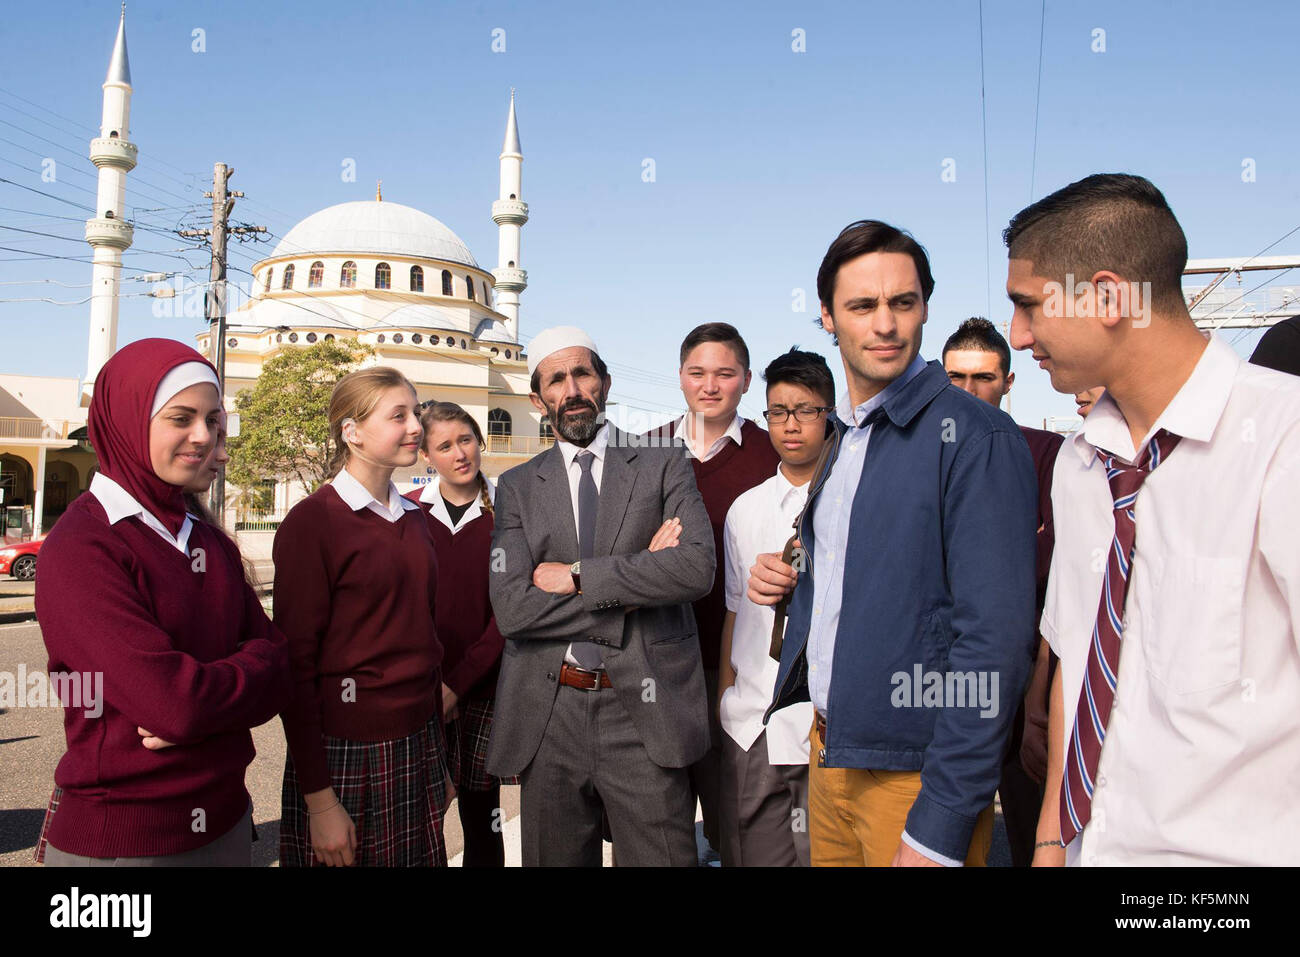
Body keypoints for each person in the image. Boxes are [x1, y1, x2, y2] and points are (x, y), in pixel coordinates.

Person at [1003, 173, 1300, 866]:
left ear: (1107, 297)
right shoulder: (1080, 469)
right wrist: (1052, 841)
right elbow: (1082, 660)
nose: (1018, 335)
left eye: (1028, 305)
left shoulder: (1284, 437)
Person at [749, 220, 1038, 867]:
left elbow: (993, 643)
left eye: (902, 303)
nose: (885, 323)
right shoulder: (843, 440)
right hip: (828, 756)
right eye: (862, 305)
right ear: (827, 315)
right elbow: (856, 564)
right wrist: (789, 571)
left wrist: (942, 819)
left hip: (913, 778)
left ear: (924, 308)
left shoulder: (977, 437)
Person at [34, 338, 290, 866]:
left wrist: (217, 691)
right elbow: (173, 707)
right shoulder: (85, 544)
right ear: (130, 420)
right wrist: (243, 676)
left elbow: (279, 664)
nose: (205, 438)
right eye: (181, 418)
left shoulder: (208, 540)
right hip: (127, 843)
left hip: (226, 823)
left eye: (214, 421)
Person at [486, 325, 715, 866]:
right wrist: (635, 589)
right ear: (538, 399)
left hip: (644, 708)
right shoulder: (517, 486)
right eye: (556, 380)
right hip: (550, 709)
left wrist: (579, 576)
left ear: (605, 382)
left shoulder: (663, 462)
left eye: (582, 373)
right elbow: (513, 609)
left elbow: (694, 569)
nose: (572, 390)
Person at [274, 366, 448, 867]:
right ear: (352, 432)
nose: (416, 426)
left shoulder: (416, 520)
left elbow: (426, 640)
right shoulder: (313, 523)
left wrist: (437, 758)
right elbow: (296, 668)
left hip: (419, 744)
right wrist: (320, 799)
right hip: (346, 753)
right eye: (399, 415)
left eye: (416, 413)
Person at [645, 321, 780, 859]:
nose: (710, 385)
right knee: (659, 816)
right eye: (697, 373)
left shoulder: (776, 452)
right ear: (679, 377)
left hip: (742, 664)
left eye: (725, 373)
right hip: (658, 662)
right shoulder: (640, 453)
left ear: (747, 380)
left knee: (738, 813)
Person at [941, 317, 1063, 866]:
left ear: (1009, 382)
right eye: (954, 378)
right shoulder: (920, 457)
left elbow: (1050, 569)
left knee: (1030, 822)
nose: (968, 392)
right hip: (933, 677)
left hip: (1025, 680)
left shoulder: (1048, 455)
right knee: (939, 829)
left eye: (983, 377)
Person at [717, 348, 832, 867]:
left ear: (829, 413)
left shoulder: (854, 496)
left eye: (805, 410)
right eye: (778, 412)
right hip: (754, 721)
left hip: (825, 724)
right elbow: (735, 613)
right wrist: (726, 699)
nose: (791, 424)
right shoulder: (746, 508)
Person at [404, 401, 511, 867]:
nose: (459, 454)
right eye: (444, 446)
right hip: (420, 688)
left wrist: (458, 685)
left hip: (484, 689)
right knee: (419, 810)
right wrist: (432, 684)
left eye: (465, 440)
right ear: (427, 456)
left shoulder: (510, 513)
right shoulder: (407, 513)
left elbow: (510, 614)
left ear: (480, 441)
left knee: (480, 810)